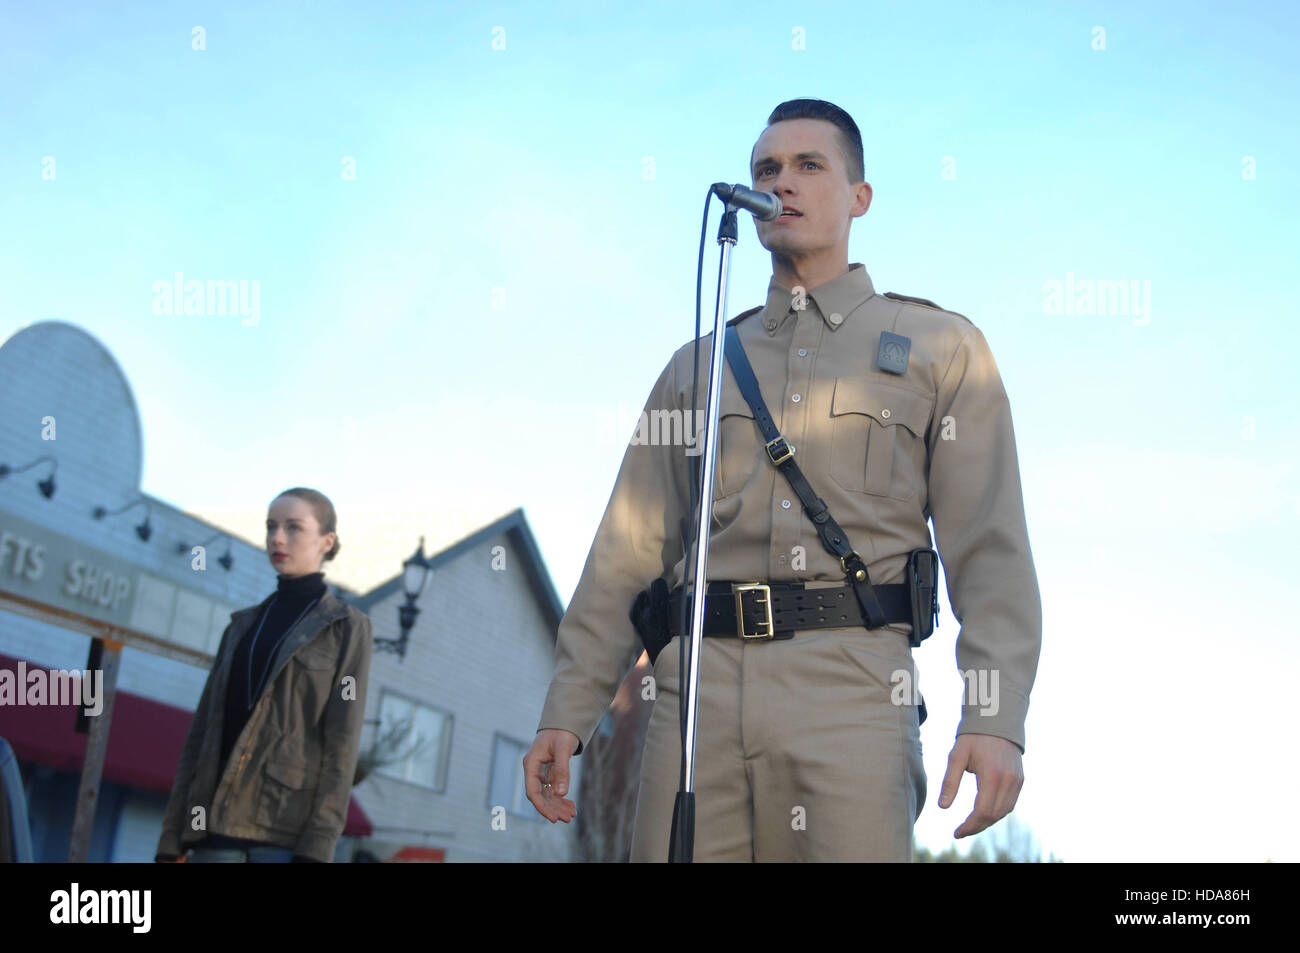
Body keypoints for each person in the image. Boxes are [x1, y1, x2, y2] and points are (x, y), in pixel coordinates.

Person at [523, 99, 1042, 861]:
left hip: (854, 688)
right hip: (696, 693)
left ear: (859, 197)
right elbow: (626, 552)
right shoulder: (695, 366)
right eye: (767, 168)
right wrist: (567, 707)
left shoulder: (941, 346)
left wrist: (994, 719)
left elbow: (988, 547)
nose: (782, 182)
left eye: (809, 165)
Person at [155, 487, 373, 863]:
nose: (277, 538)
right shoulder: (241, 627)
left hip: (283, 834)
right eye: (271, 526)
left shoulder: (346, 628)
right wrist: (172, 838)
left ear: (327, 541)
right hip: (212, 830)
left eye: (293, 527)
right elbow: (202, 734)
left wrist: (319, 846)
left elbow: (343, 742)